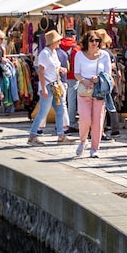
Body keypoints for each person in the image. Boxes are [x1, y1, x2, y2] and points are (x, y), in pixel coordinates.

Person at [74, 30, 113, 158]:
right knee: (85, 119)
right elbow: (76, 73)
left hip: (99, 91)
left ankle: (95, 148)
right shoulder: (79, 55)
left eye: (97, 40)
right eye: (92, 40)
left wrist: (99, 79)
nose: (94, 43)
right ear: (86, 41)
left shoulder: (104, 55)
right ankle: (83, 140)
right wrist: (84, 80)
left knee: (98, 121)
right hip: (84, 91)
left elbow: (108, 74)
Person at [28, 30, 71, 146]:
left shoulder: (53, 52)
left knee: (60, 110)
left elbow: (53, 67)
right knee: (43, 112)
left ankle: (61, 135)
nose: (60, 42)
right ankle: (32, 135)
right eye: (58, 40)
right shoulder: (45, 53)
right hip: (48, 85)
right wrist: (43, 88)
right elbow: (41, 71)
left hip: (55, 85)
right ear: (54, 41)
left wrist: (61, 69)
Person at [60, 28, 80, 134]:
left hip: (61, 76)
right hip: (73, 76)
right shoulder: (76, 49)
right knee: (72, 101)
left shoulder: (59, 46)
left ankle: (61, 123)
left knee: (62, 101)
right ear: (74, 36)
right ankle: (71, 123)